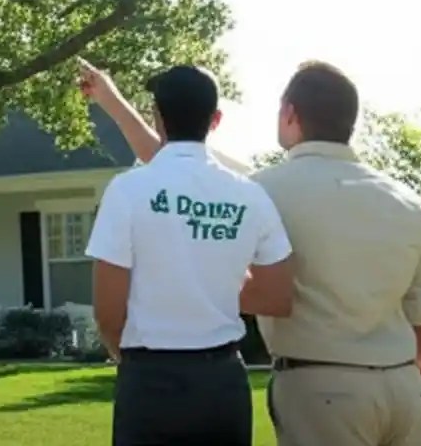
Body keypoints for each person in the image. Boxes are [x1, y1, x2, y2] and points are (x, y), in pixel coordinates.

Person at [80, 57, 421, 446]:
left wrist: (201, 278)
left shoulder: (266, 189)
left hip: (322, 390)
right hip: (405, 390)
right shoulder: (409, 203)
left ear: (291, 114)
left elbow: (175, 173)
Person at [83, 63, 295, 446]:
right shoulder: (249, 195)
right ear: (215, 120)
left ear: (157, 118)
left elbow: (108, 313)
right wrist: (210, 274)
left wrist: (130, 360)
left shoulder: (127, 191)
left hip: (148, 381)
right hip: (222, 384)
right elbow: (278, 298)